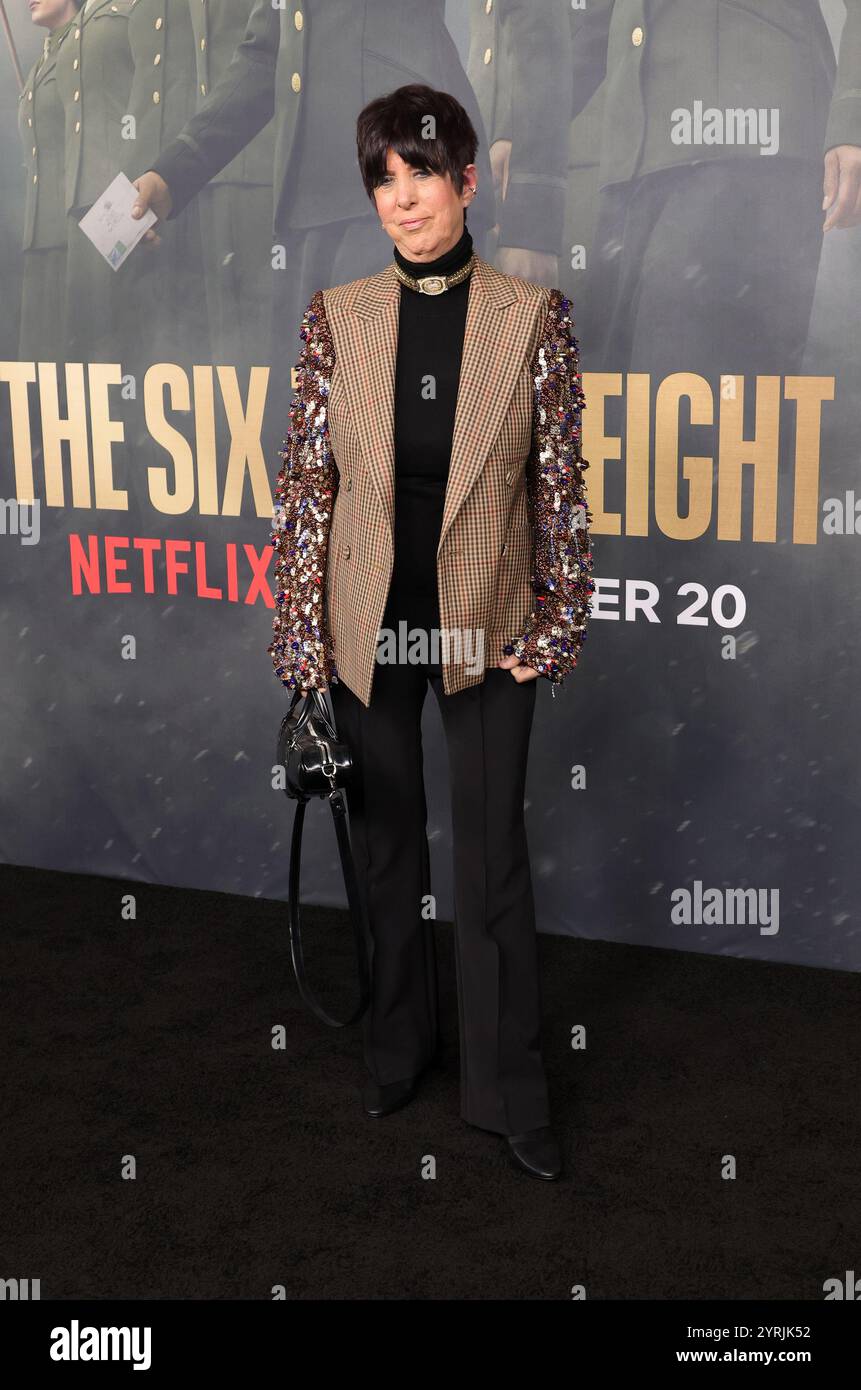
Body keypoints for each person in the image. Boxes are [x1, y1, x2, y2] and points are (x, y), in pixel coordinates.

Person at [268, 85, 595, 1182]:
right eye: (385, 179)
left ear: (468, 179)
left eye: (423, 173)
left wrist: (552, 630)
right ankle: (397, 1052)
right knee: (387, 848)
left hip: (489, 624)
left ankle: (508, 1094)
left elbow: (561, 492)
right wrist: (301, 641)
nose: (404, 199)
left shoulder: (532, 315)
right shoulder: (337, 317)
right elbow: (307, 488)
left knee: (492, 859)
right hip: (370, 622)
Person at [17, 0, 80, 366]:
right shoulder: (43, 61)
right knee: (36, 363)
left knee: (66, 363)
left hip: (72, 231)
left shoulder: (83, 46)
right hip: (39, 236)